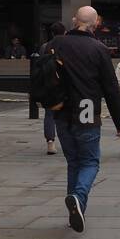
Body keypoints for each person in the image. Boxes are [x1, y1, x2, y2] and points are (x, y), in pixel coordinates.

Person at [45, 7, 120, 233]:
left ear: (74, 21)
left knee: (73, 161)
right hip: (87, 109)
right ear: (95, 24)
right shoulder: (98, 49)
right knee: (90, 162)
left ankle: (75, 208)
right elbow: (110, 88)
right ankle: (78, 198)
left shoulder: (56, 44)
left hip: (61, 110)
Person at [39, 22, 66, 155]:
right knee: (66, 113)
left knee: (49, 114)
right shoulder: (68, 46)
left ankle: (50, 142)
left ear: (52, 33)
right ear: (64, 32)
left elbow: (40, 66)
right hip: (64, 84)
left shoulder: (44, 47)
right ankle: (67, 140)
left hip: (48, 84)